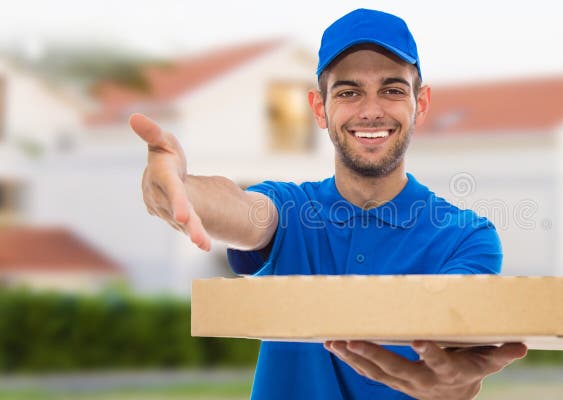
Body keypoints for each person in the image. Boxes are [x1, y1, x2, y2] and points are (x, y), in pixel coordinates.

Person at [129, 8, 527, 400]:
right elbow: (241, 208)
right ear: (320, 108)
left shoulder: (465, 237)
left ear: (419, 104)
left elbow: (457, 340)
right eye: (349, 92)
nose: (371, 111)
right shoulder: (293, 212)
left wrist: (458, 386)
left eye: (391, 90)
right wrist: (178, 187)